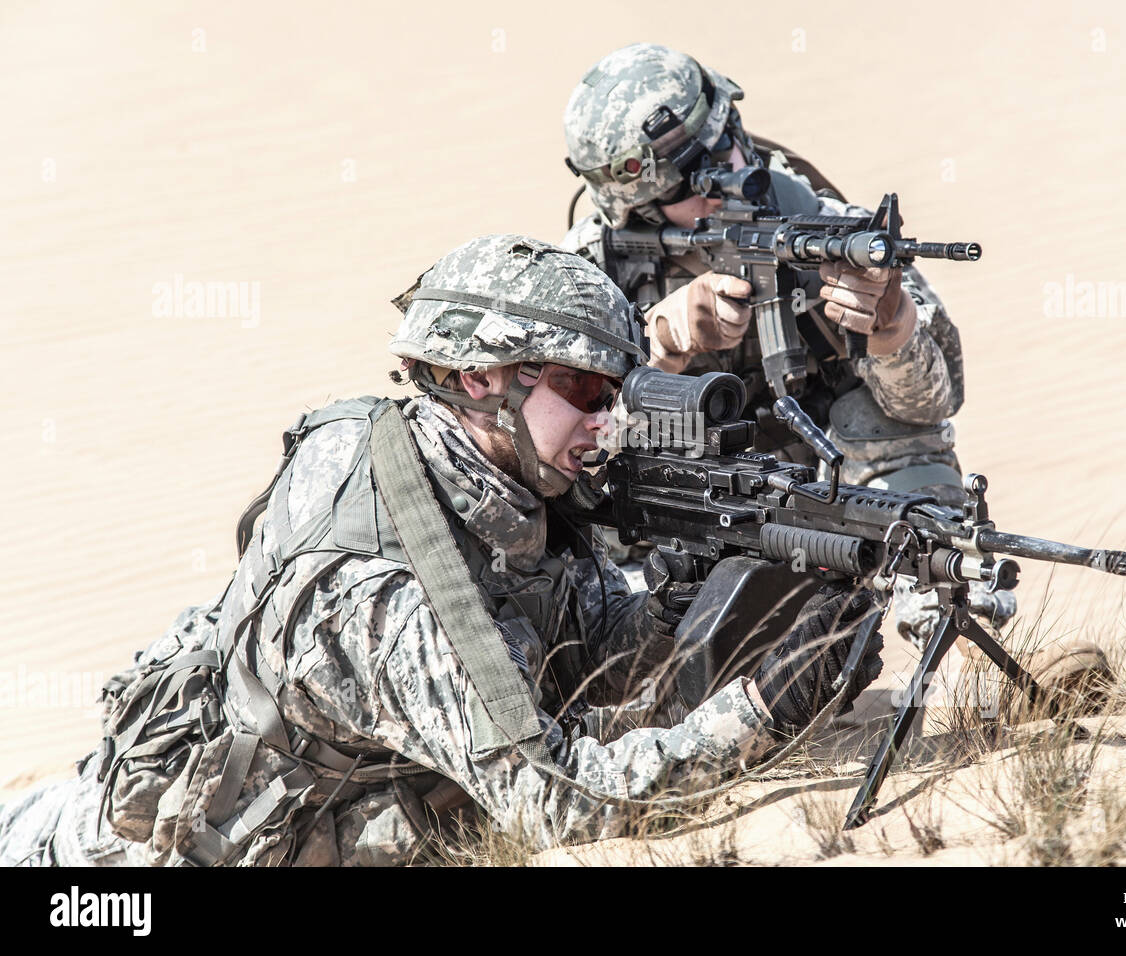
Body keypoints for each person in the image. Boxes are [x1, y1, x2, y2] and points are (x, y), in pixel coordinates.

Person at [0, 234, 882, 866]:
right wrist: (758, 714)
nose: (607, 419)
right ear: (478, 381)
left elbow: (576, 638)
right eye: (585, 387)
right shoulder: (383, 585)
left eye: (617, 392)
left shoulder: (473, 469)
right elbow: (566, 806)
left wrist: (735, 594)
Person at [560, 42, 1014, 647]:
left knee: (892, 433)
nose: (723, 178)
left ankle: (954, 633)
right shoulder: (591, 275)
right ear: (637, 207)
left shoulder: (817, 219)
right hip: (683, 511)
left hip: (813, 486)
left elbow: (932, 404)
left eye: (724, 145)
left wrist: (891, 325)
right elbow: (564, 457)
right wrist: (658, 352)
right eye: (690, 180)